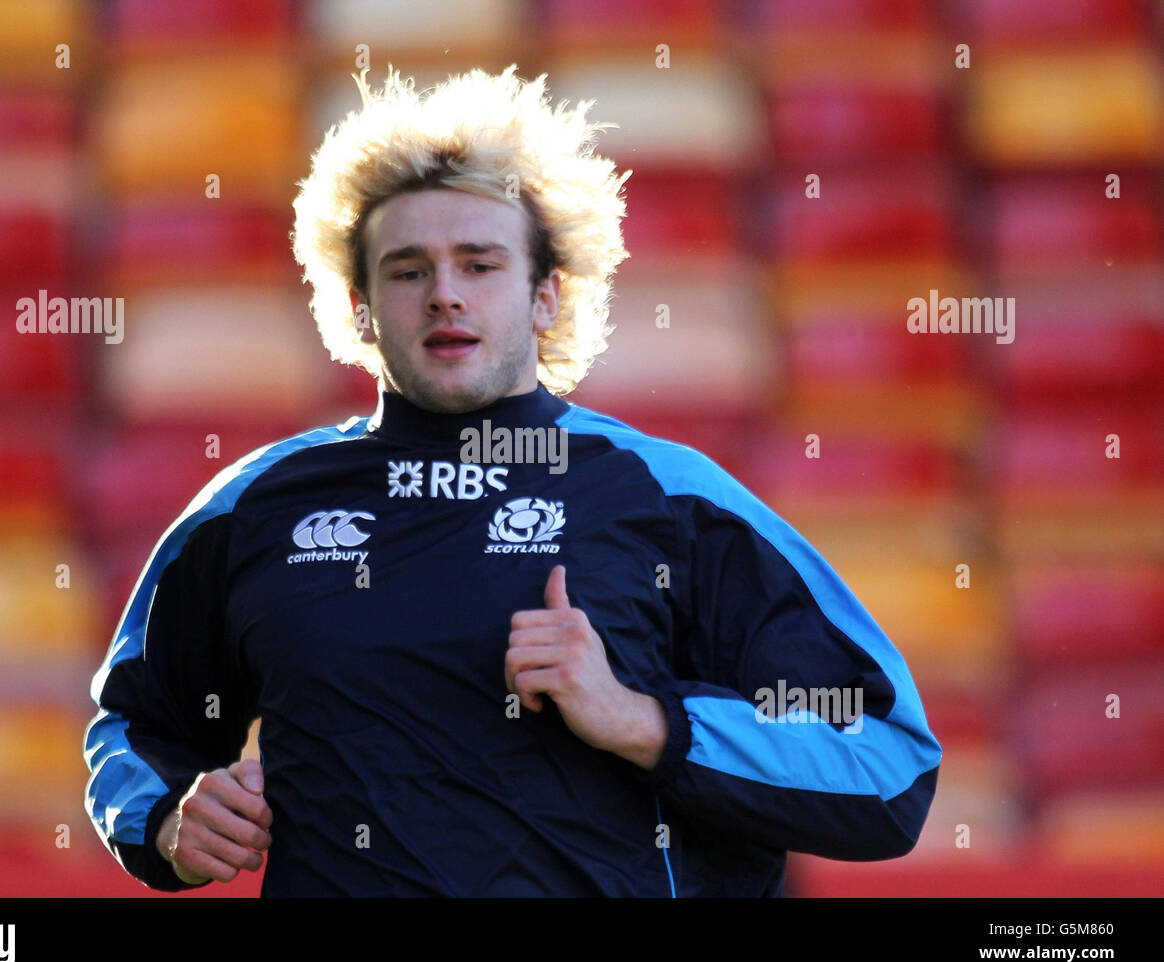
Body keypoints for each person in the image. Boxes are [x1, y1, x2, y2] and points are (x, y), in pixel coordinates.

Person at [83, 65, 941, 896]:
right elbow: (133, 725)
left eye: (480, 264)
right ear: (360, 308)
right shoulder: (254, 509)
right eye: (408, 269)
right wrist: (165, 820)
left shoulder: (669, 498)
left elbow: (887, 759)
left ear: (545, 298)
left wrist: (645, 721)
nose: (444, 296)